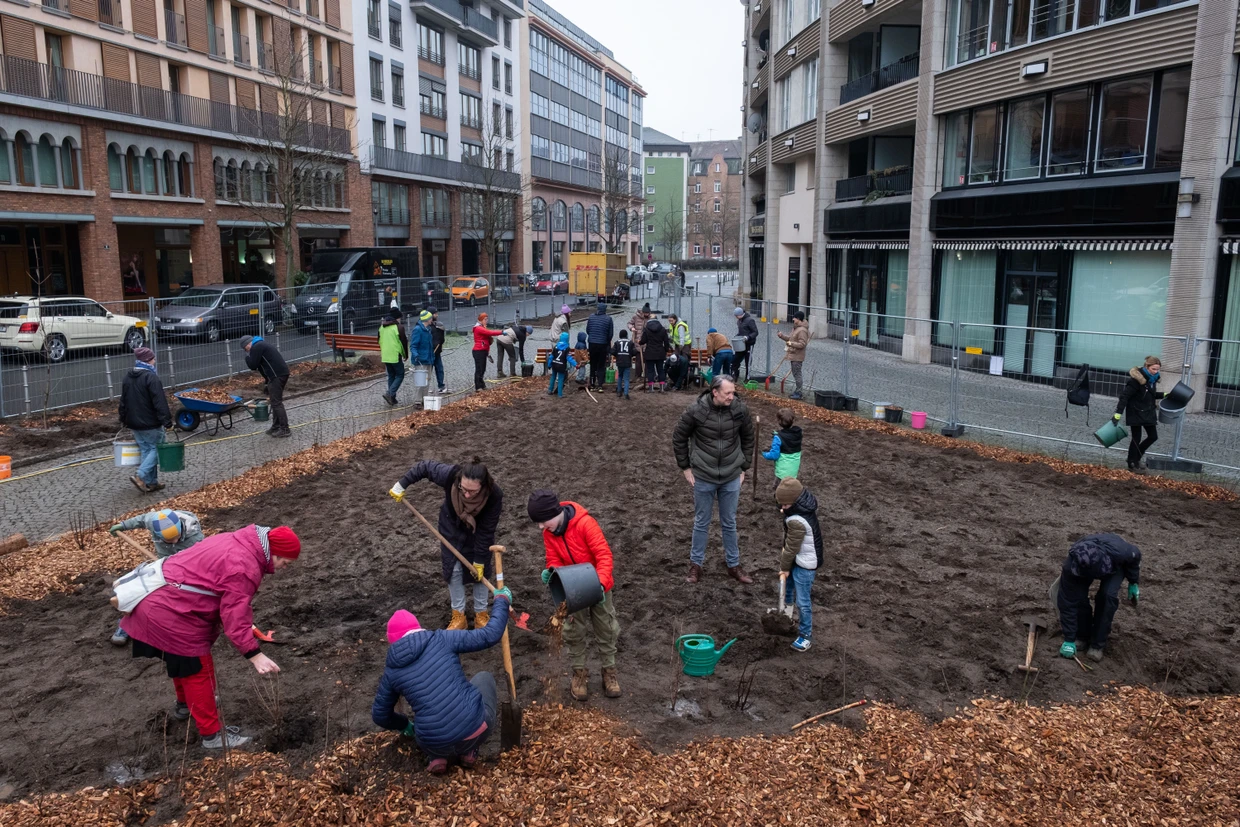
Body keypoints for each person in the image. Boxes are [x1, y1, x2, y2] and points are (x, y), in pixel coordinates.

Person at [120, 524, 301, 748]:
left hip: (159, 601)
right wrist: (254, 654)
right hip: (172, 613)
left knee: (183, 664)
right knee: (198, 670)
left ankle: (186, 706)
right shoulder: (244, 567)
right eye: (286, 562)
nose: (284, 567)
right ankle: (213, 737)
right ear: (274, 552)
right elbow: (234, 616)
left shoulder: (238, 541)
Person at [371, 588, 512, 774]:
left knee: (430, 719)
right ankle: (469, 750)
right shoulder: (442, 638)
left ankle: (438, 757)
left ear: (393, 642)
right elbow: (489, 635)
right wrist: (502, 600)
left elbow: (380, 715)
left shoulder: (392, 671)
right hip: (475, 729)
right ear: (417, 629)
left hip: (432, 743)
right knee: (483, 678)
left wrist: (405, 725)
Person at [528, 489, 621, 701]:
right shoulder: (549, 533)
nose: (541, 527)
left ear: (555, 512)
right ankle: (579, 673)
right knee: (573, 630)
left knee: (606, 627)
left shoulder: (585, 524)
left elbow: (604, 555)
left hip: (599, 586)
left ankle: (609, 671)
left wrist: (600, 584)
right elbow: (553, 558)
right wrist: (551, 571)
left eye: (543, 521)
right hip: (572, 588)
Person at [389, 459, 503, 630]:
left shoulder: (493, 495)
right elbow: (425, 467)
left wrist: (479, 560)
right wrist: (401, 485)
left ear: (483, 486)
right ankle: (459, 616)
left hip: (476, 534)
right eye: (463, 489)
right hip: (450, 530)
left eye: (472, 491)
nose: (466, 495)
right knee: (454, 570)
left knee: (480, 574)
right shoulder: (451, 476)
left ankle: (481, 615)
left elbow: (486, 532)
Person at [672, 376, 756, 584]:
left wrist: (743, 466)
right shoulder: (696, 411)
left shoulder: (739, 410)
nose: (732, 396)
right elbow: (679, 437)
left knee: (729, 522)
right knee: (702, 522)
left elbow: (748, 437)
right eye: (727, 393)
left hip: (730, 475)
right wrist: (685, 467)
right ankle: (696, 565)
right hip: (704, 475)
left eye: (733, 392)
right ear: (714, 392)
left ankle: (733, 565)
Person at [108, 508, 205, 645]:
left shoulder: (195, 537)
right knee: (140, 592)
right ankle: (125, 626)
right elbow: (141, 519)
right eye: (169, 540)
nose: (173, 542)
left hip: (187, 568)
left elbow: (202, 561)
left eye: (176, 538)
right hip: (161, 566)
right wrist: (123, 525)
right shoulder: (154, 521)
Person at [1055, 533, 1141, 662]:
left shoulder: (1121, 552)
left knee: (1107, 597)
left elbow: (1135, 556)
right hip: (1083, 567)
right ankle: (1082, 636)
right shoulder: (1072, 565)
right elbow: (1068, 603)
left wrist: (1133, 581)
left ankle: (1097, 644)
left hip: (1113, 564)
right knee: (1078, 597)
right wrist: (1069, 639)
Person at [774, 478, 822, 652]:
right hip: (798, 558)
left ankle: (805, 635)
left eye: (785, 505)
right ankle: (785, 617)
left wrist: (784, 568)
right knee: (787, 589)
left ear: (794, 501)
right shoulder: (801, 507)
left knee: (802, 601)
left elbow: (791, 548)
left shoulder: (797, 520)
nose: (783, 508)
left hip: (805, 564)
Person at [119, 346, 172, 493]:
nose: (155, 361)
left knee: (146, 450)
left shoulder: (128, 377)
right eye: (153, 358)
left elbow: (123, 401)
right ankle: (140, 475)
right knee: (157, 449)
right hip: (150, 423)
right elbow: (159, 402)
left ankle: (151, 482)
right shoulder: (151, 377)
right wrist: (167, 421)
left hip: (134, 422)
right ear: (148, 360)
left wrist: (123, 418)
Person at [1114, 356, 1165, 473]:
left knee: (1153, 436)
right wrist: (1118, 413)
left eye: (1158, 369)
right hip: (1135, 411)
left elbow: (1150, 394)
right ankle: (1132, 463)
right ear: (1147, 366)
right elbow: (1124, 396)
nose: (1156, 372)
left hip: (1147, 412)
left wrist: (1164, 395)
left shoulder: (1152, 379)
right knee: (1136, 438)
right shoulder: (1136, 380)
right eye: (1154, 369)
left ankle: (1135, 458)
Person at [242, 335, 290, 437]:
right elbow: (262, 367)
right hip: (278, 374)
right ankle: (276, 426)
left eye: (245, 348)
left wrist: (247, 358)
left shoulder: (256, 347)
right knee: (274, 401)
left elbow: (253, 365)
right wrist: (267, 382)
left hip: (277, 375)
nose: (246, 351)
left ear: (247, 344)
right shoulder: (260, 345)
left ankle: (285, 429)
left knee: (276, 402)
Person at [762, 408, 803, 485]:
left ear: (779, 422)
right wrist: (777, 434)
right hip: (793, 470)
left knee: (779, 490)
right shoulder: (798, 433)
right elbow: (788, 435)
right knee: (790, 487)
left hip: (782, 472)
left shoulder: (778, 438)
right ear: (793, 420)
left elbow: (774, 455)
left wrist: (764, 454)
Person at [380, 308, 409, 406]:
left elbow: (379, 340)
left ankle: (392, 398)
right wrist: (405, 355)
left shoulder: (382, 327)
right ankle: (390, 394)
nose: (400, 320)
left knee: (391, 375)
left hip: (385, 355)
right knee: (400, 374)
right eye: (400, 318)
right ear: (397, 318)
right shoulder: (399, 327)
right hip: (395, 355)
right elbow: (403, 342)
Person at [777, 311, 810, 400]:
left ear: (798, 319)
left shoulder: (802, 330)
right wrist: (782, 336)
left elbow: (802, 344)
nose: (793, 319)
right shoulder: (796, 328)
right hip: (794, 354)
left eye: (794, 318)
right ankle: (797, 391)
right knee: (796, 374)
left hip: (797, 356)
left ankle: (799, 392)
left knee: (797, 374)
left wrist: (791, 344)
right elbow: (790, 339)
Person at [586, 303, 615, 390]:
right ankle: (600, 385)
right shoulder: (609, 319)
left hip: (592, 343)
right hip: (602, 344)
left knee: (593, 363)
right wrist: (605, 340)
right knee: (601, 365)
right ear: (605, 310)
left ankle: (592, 383)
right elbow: (610, 334)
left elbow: (588, 330)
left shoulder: (591, 317)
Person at [471, 313, 502, 392]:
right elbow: (490, 333)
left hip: (483, 350)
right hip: (478, 351)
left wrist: (487, 352)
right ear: (481, 320)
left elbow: (487, 340)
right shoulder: (478, 328)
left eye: (487, 319)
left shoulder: (483, 327)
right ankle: (478, 387)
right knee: (479, 369)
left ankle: (481, 384)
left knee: (483, 369)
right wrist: (501, 332)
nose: (486, 321)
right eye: (485, 319)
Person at [642, 316, 671, 392]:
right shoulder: (663, 329)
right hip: (660, 352)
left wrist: (639, 342)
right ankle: (661, 388)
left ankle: (651, 388)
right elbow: (666, 342)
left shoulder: (646, 329)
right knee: (660, 370)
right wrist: (665, 350)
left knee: (650, 370)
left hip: (650, 353)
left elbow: (643, 341)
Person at [546, 332, 577, 397]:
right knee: (560, 379)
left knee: (553, 377)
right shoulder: (567, 348)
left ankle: (550, 390)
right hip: (561, 366)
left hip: (554, 364)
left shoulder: (556, 346)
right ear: (567, 339)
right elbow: (569, 358)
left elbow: (551, 356)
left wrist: (549, 365)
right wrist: (575, 364)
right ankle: (560, 394)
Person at [734, 306, 759, 381]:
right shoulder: (739, 321)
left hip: (749, 343)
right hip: (741, 343)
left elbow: (755, 332)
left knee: (747, 361)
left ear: (740, 314)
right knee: (736, 359)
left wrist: (748, 337)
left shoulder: (750, 320)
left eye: (736, 316)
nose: (736, 317)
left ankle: (747, 378)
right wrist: (737, 336)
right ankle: (735, 375)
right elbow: (741, 331)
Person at [628, 303, 652, 380]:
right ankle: (637, 376)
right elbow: (629, 323)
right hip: (638, 341)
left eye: (648, 313)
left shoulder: (650, 318)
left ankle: (647, 376)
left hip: (647, 343)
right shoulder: (636, 317)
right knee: (638, 361)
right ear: (642, 312)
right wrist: (632, 328)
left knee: (648, 361)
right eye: (645, 313)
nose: (646, 314)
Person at [668, 314, 693, 390]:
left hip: (684, 345)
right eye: (669, 321)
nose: (670, 322)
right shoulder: (672, 325)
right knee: (676, 362)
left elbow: (682, 337)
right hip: (677, 344)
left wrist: (680, 348)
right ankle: (678, 381)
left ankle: (684, 381)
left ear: (675, 319)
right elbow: (672, 336)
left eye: (671, 320)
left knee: (684, 362)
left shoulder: (680, 326)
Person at [611, 330, 634, 399]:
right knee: (626, 379)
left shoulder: (617, 342)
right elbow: (634, 352)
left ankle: (619, 391)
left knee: (620, 376)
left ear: (620, 335)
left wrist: (617, 355)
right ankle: (626, 393)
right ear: (626, 335)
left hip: (619, 362)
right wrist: (630, 355)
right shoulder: (630, 342)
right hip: (627, 362)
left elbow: (612, 351)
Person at [429, 309, 447, 394]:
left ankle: (441, 386)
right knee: (428, 370)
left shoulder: (438, 325)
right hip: (430, 352)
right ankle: (426, 387)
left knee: (439, 369)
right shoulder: (428, 327)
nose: (437, 315)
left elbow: (441, 339)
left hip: (437, 352)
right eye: (435, 314)